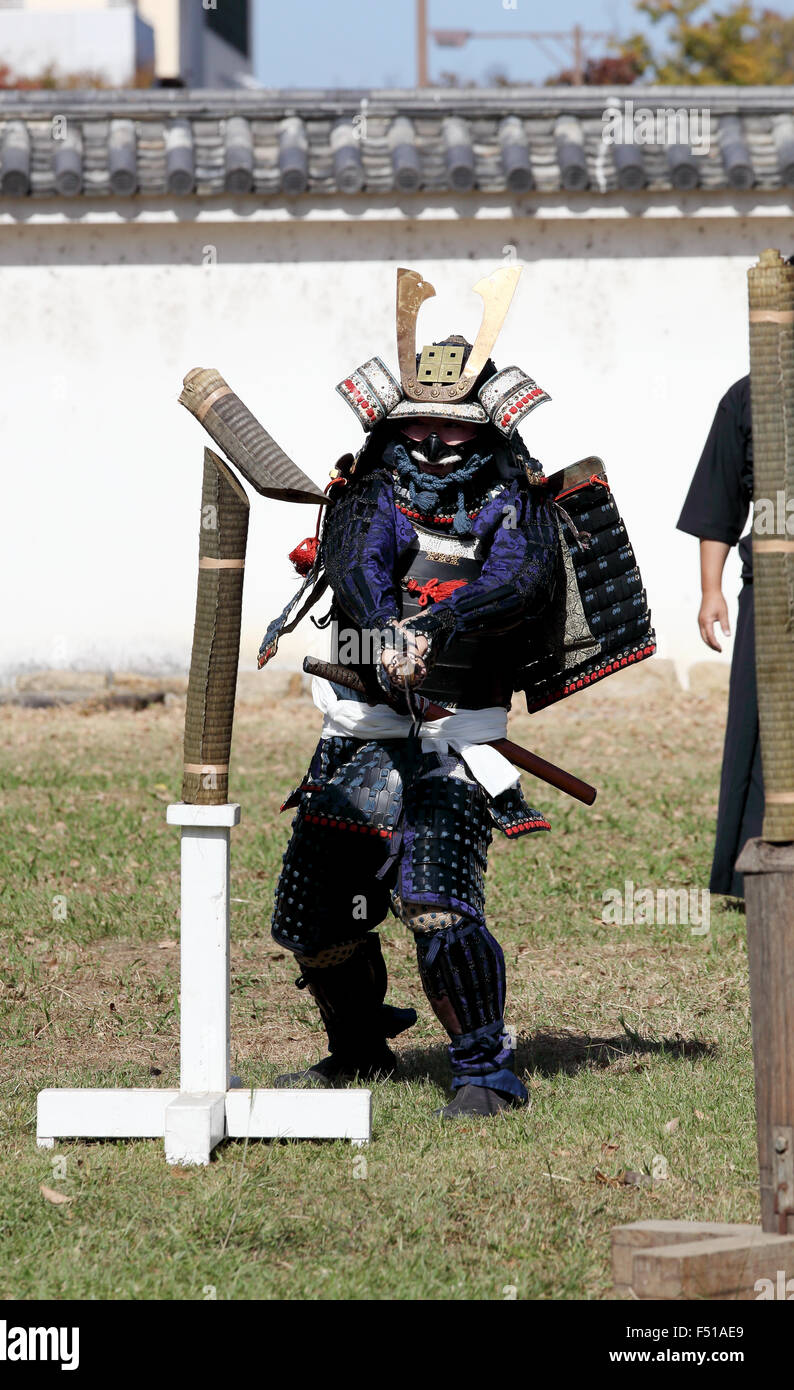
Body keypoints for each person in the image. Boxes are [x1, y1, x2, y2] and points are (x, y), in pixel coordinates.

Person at [258, 266, 653, 1118]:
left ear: (491, 434)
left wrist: (432, 630)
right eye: (421, 425)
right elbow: (357, 572)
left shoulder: (521, 506)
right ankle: (358, 1047)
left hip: (455, 744)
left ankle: (485, 1069)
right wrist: (382, 631)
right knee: (313, 918)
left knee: (435, 904)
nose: (435, 442)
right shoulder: (369, 493)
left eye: (454, 428)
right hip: (358, 736)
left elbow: (519, 586)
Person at [677, 377, 760, 899]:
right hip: (772, 588)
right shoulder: (748, 397)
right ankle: (751, 869)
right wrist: (712, 590)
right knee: (759, 725)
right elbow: (721, 500)